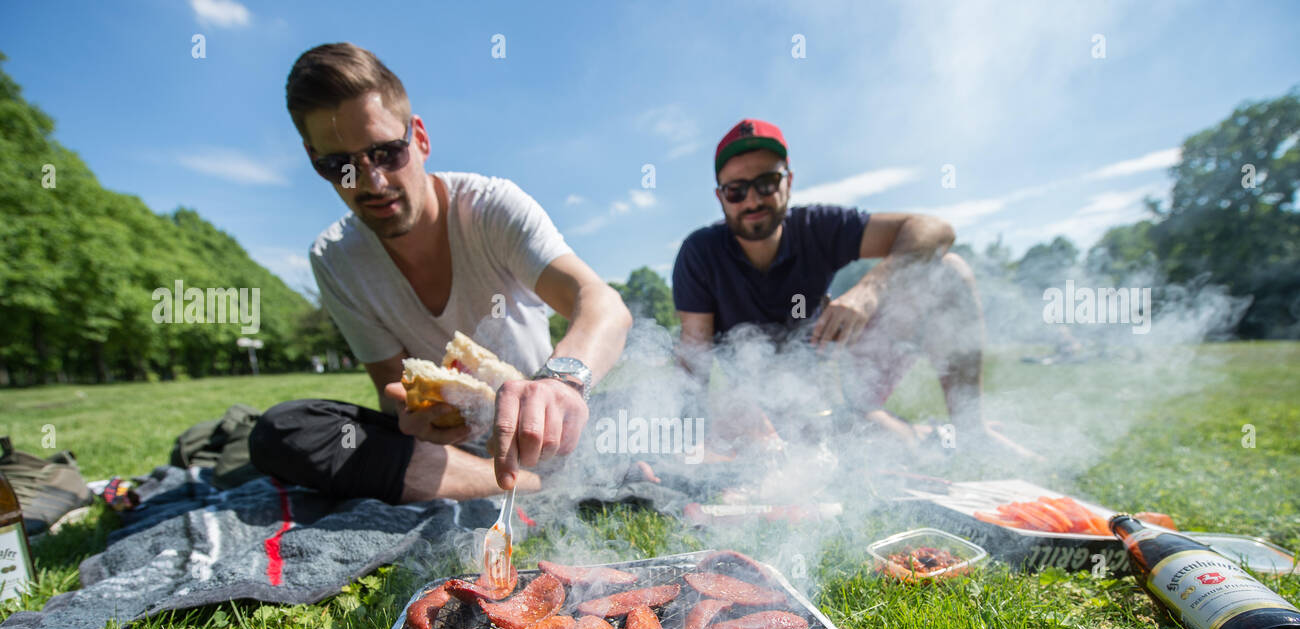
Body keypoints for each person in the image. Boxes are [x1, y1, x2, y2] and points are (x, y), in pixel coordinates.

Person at [249, 43, 632, 503]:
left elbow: (601, 301)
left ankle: (532, 474)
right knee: (282, 431)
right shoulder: (333, 258)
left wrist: (561, 380)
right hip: (450, 452)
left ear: (421, 139)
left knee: (644, 420)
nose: (373, 183)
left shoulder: (492, 207)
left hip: (545, 428)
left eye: (387, 153)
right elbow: (392, 391)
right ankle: (533, 487)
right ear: (315, 162)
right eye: (340, 166)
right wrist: (413, 416)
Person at [672, 118, 1036, 459]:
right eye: (736, 190)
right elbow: (695, 359)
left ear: (788, 182)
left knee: (947, 270)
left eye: (766, 183)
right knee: (873, 446)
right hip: (765, 402)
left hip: (839, 371)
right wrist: (690, 442)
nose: (752, 200)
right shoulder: (701, 252)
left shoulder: (817, 226)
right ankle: (914, 432)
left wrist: (870, 289)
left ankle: (971, 429)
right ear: (720, 197)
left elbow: (935, 229)